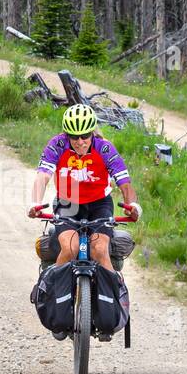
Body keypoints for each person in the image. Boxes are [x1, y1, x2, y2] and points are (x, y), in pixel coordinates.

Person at [28, 103, 142, 273]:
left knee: (100, 250)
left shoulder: (104, 148)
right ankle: (51, 290)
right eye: (74, 137)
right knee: (70, 249)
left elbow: (124, 182)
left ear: (92, 132)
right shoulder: (57, 145)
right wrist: (35, 203)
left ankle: (116, 295)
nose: (80, 142)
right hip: (67, 202)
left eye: (85, 135)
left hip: (100, 204)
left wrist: (133, 205)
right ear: (67, 134)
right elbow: (43, 175)